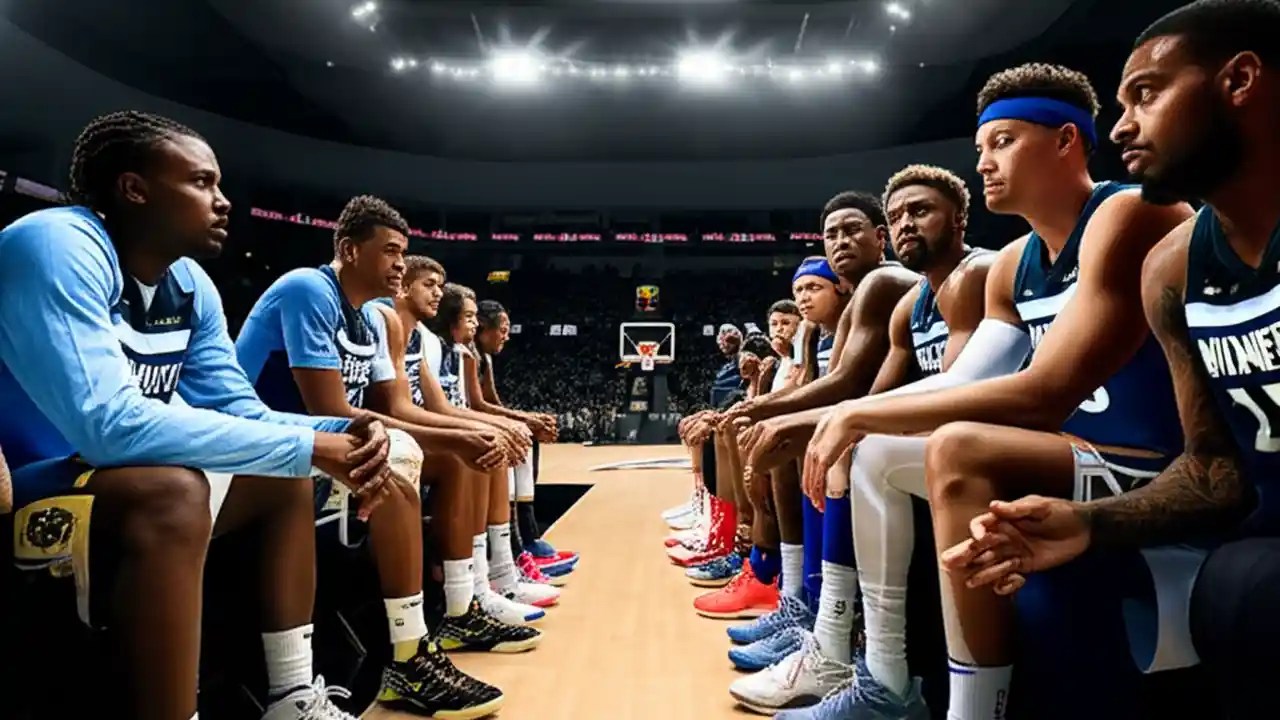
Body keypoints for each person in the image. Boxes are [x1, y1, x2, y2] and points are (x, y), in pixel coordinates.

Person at [799, 63, 1191, 719]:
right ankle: (886, 682)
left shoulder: (1129, 213)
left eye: (1003, 141)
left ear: (1067, 140)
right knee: (874, 453)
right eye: (981, 148)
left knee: (956, 449)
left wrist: (856, 406)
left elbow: (1042, 392)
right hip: (1073, 457)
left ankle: (976, 710)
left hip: (1151, 468)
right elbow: (964, 381)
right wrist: (854, 418)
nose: (983, 163)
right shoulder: (1011, 264)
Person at [0, 111, 393, 720]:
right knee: (177, 492)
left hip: (100, 478)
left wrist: (346, 435)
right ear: (135, 189)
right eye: (202, 183)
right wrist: (313, 448)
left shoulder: (191, 284)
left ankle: (292, 699)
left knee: (279, 477)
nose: (223, 202)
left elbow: (241, 412)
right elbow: (107, 428)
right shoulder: (55, 244)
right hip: (22, 481)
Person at [946, 2, 1280, 718]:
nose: (1123, 127)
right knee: (1058, 563)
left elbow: (1043, 391)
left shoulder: (1129, 224)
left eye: (1147, 94)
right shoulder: (1173, 267)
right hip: (1245, 532)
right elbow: (1214, 470)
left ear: (1241, 80)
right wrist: (1091, 522)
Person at [234, 195, 523, 715]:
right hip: (262, 443)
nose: (399, 264)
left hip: (317, 445)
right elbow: (330, 408)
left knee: (456, 457)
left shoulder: (370, 317)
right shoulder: (309, 289)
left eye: (403, 252)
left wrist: (456, 438)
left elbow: (390, 406)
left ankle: (460, 607)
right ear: (348, 249)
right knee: (396, 470)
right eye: (390, 252)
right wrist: (438, 434)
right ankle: (407, 657)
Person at [724, 194, 919, 714]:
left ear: (881, 237)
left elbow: (850, 385)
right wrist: (767, 409)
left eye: (852, 230)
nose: (839, 242)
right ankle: (804, 608)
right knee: (795, 441)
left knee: (820, 445)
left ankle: (823, 626)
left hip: (910, 434)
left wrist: (770, 411)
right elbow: (841, 386)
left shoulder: (882, 284)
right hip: (893, 425)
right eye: (830, 234)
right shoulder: (829, 321)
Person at [423, 283, 549, 626]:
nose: (475, 325)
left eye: (477, 318)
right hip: (427, 436)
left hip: (441, 430)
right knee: (485, 450)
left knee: (501, 444)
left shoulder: (464, 353)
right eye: (470, 317)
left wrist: (516, 424)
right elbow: (466, 407)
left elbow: (476, 405)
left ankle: (508, 565)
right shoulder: (435, 348)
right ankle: (488, 582)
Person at [469, 300, 579, 578]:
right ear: (483, 328)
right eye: (502, 330)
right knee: (517, 435)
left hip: (475, 418)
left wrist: (525, 420)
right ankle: (518, 544)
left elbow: (492, 401)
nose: (507, 336)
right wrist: (522, 421)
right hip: (467, 422)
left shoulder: (485, 357)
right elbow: (476, 405)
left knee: (526, 434)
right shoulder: (468, 354)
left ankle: (527, 536)